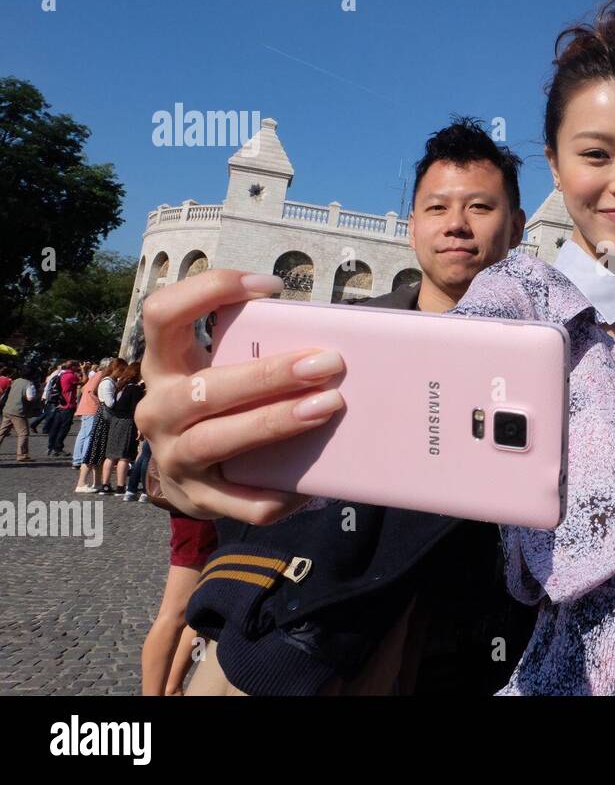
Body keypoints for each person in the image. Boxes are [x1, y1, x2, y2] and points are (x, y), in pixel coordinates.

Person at [148, 0, 615, 695]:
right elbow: (380, 424)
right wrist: (212, 450)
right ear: (556, 167)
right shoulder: (519, 299)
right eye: (596, 152)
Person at [140, 118, 536, 696]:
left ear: (519, 227)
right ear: (409, 229)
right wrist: (174, 465)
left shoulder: (555, 363)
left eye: (480, 207)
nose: (456, 225)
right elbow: (203, 464)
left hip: (475, 659)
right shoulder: (330, 343)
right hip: (305, 644)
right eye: (436, 209)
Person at [140, 512, 219, 695]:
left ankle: (172, 687)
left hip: (218, 511)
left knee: (207, 608)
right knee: (174, 613)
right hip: (202, 512)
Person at [98, 362, 144, 495]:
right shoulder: (135, 389)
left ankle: (105, 485)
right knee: (124, 456)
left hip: (116, 420)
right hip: (127, 422)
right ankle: (120, 486)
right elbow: (136, 409)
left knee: (111, 455)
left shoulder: (121, 386)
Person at [84, 359, 126, 492]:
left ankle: (97, 483)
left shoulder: (109, 381)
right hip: (103, 419)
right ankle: (82, 482)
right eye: (122, 370)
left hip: (104, 418)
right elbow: (110, 403)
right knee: (95, 451)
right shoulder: (107, 382)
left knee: (99, 452)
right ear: (117, 369)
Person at [73, 359, 114, 493]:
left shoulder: (96, 374)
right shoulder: (101, 375)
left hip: (86, 408)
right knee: (90, 440)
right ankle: (83, 461)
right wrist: (100, 403)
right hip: (92, 409)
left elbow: (85, 388)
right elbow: (91, 391)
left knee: (84, 436)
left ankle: (78, 458)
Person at [0, 364, 39, 462]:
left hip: (8, 409)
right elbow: (30, 397)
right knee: (23, 433)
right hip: (18, 411)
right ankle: (22, 455)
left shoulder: (15, 381)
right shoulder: (29, 384)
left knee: (2, 432)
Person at [44, 360, 81, 455]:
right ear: (72, 366)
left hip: (60, 403)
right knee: (64, 428)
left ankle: (51, 446)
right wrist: (84, 371)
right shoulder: (71, 376)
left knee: (56, 426)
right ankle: (58, 447)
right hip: (68, 404)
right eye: (77, 366)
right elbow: (83, 381)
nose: (79, 367)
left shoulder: (61, 374)